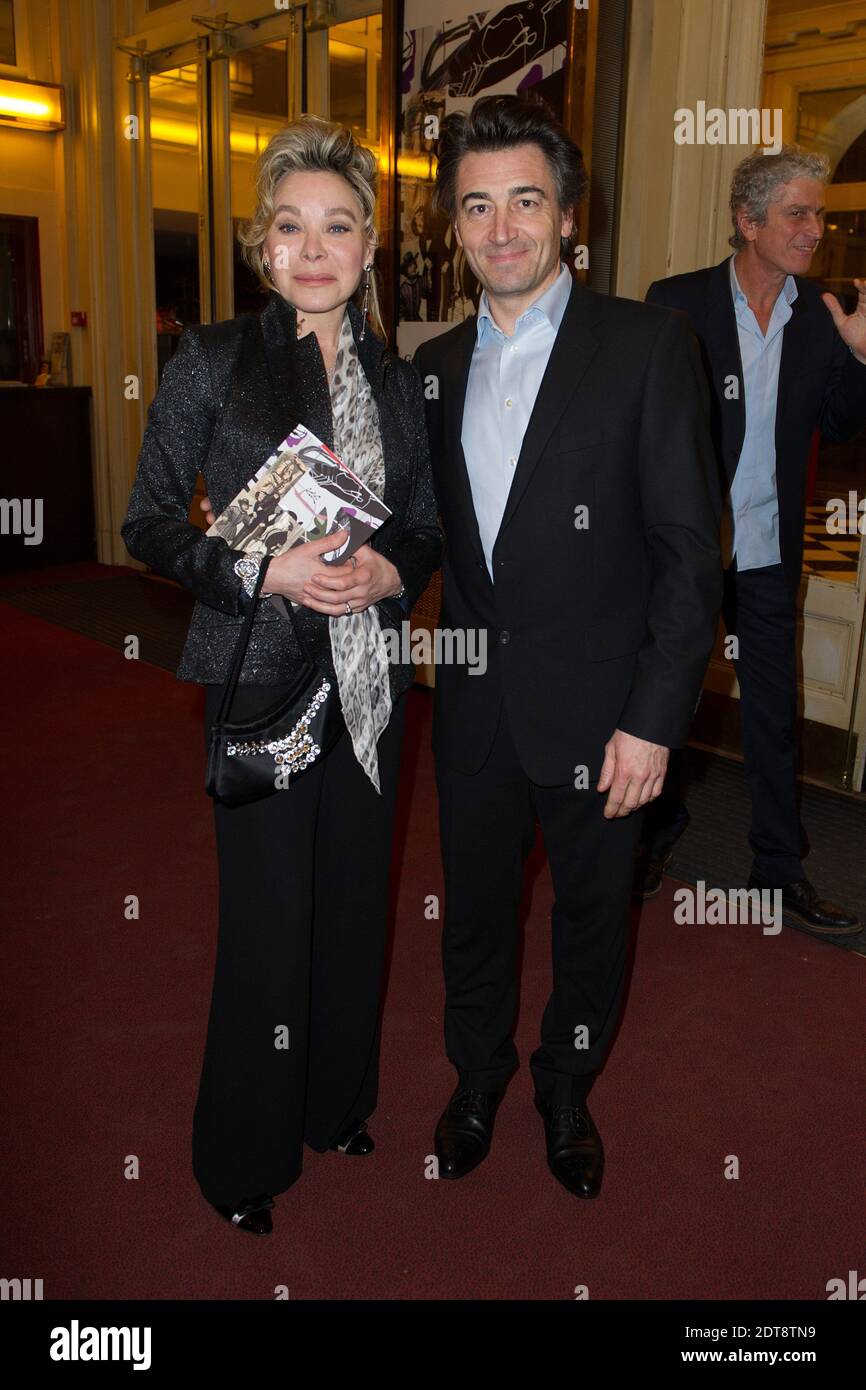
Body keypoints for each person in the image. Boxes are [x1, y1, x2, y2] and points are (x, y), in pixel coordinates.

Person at [122, 115, 442, 1234]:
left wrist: (388, 570)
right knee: (268, 924)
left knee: (356, 908)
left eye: (338, 226)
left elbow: (432, 525)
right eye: (291, 227)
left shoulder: (398, 384)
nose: (314, 248)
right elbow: (148, 523)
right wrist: (264, 570)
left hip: (369, 686)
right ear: (264, 246)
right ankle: (241, 1159)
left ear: (366, 246)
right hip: (258, 677)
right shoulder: (213, 357)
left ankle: (333, 1102)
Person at [413, 94, 723, 1199]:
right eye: (477, 205)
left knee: (593, 918)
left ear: (564, 214)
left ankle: (564, 1085)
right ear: (454, 227)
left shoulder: (644, 346)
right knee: (475, 910)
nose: (500, 228)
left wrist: (652, 717)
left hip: (606, 716)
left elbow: (690, 554)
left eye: (524, 201)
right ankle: (477, 1075)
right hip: (475, 710)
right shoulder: (432, 366)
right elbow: (423, 536)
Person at [634, 145, 866, 939]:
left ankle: (781, 868)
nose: (814, 229)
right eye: (798, 214)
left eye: (818, 214)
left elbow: (836, 424)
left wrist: (863, 356)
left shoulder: (822, 313)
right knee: (664, 701)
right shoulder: (676, 304)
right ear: (748, 220)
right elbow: (643, 430)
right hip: (688, 549)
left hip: (767, 547)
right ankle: (648, 842)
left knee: (771, 711)